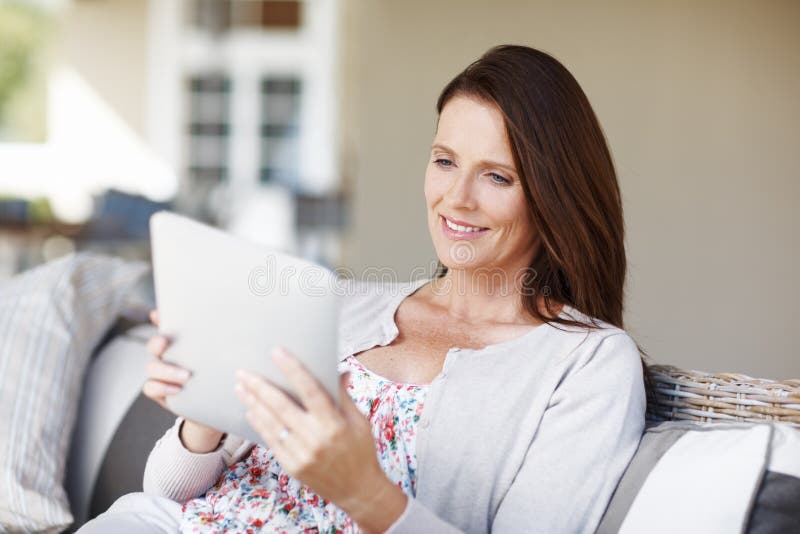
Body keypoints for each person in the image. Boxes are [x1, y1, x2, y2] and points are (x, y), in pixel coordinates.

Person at [78, 44, 649, 533]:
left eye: (497, 176)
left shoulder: (589, 364)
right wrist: (202, 408)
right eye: (445, 161)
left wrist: (364, 492)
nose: (457, 198)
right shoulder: (344, 301)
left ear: (554, 192)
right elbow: (167, 494)